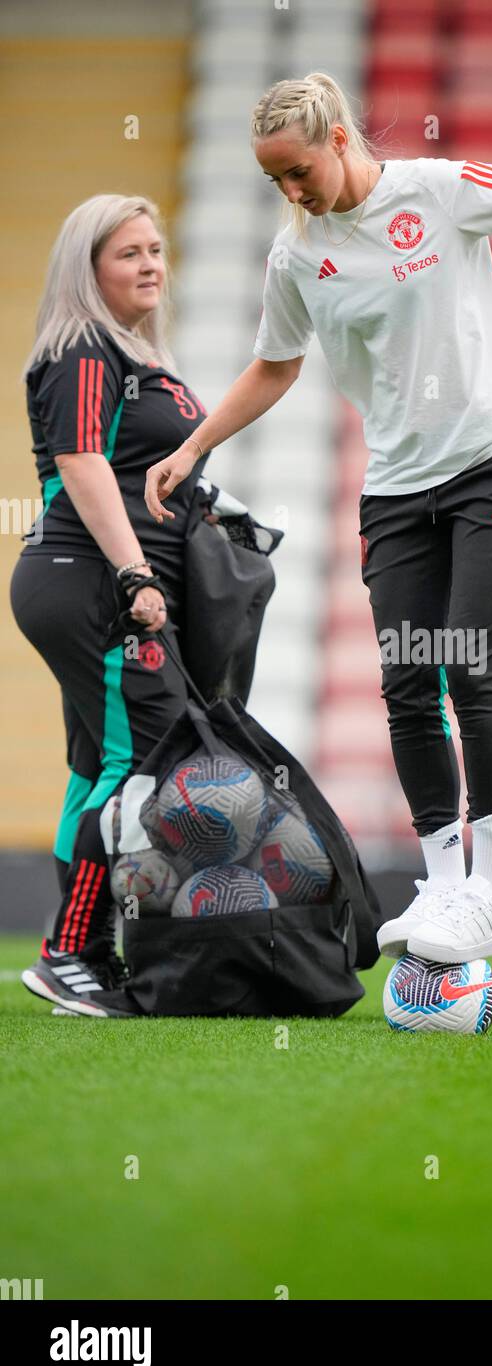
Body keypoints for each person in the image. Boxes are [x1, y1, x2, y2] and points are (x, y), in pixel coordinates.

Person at [144, 70, 492, 966]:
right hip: (398, 489)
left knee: (469, 670)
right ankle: (444, 884)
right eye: (272, 182)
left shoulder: (437, 193)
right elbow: (275, 366)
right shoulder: (295, 256)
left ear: (338, 139)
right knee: (408, 688)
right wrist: (192, 447)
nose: (291, 193)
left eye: (297, 171)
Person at [11, 194, 211, 1017]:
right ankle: (71, 952)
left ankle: (80, 953)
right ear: (87, 269)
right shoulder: (85, 347)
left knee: (99, 765)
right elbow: (83, 462)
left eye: (156, 249)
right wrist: (135, 577)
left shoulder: (123, 350)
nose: (151, 264)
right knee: (143, 759)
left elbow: (127, 464)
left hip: (90, 582)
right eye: (128, 252)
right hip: (94, 583)